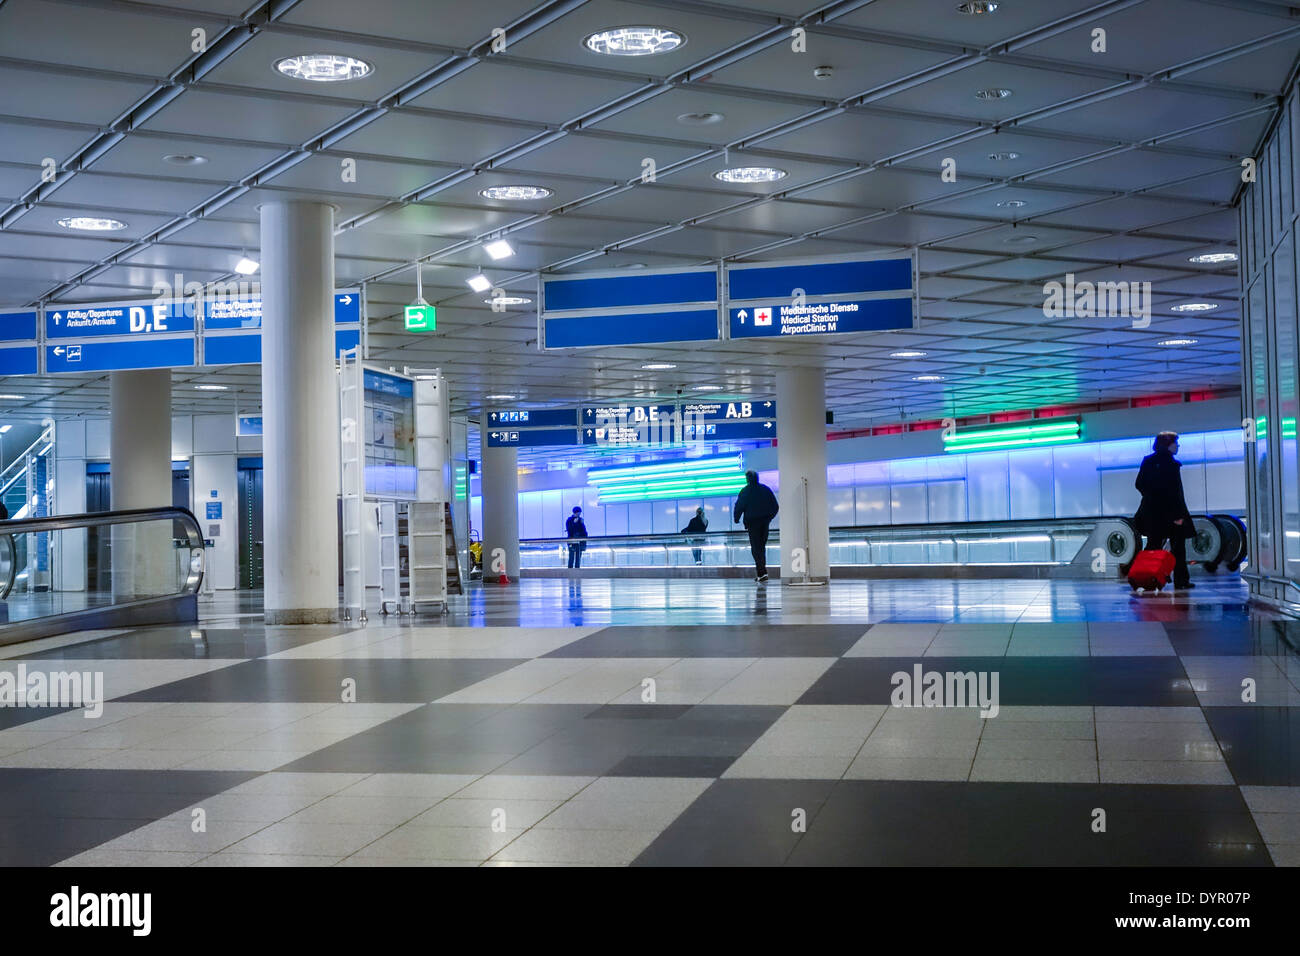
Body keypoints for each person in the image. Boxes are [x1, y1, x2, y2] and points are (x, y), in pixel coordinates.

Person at [1133, 431, 1195, 590]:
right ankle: (1181, 581)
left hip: (1152, 514)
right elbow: (1174, 493)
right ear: (1168, 444)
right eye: (1176, 443)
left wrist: (1151, 499)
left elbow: (1139, 484)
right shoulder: (1171, 464)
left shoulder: (1148, 461)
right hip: (1172, 515)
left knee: (1153, 546)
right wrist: (1178, 515)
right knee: (1178, 548)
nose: (1178, 446)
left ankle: (1145, 578)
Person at [733, 470, 779, 582]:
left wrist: (736, 518)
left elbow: (739, 505)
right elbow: (775, 506)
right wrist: (769, 518)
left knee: (756, 548)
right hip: (764, 523)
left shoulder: (745, 491)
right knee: (761, 547)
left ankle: (762, 573)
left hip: (753, 523)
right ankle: (762, 572)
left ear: (748, 479)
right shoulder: (765, 489)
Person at [565, 506, 588, 570]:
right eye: (578, 513)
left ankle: (577, 570)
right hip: (572, 540)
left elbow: (584, 531)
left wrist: (581, 523)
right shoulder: (570, 520)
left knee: (578, 557)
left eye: (579, 513)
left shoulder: (580, 520)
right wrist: (574, 523)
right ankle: (570, 570)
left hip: (579, 541)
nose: (578, 514)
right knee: (571, 556)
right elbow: (569, 530)